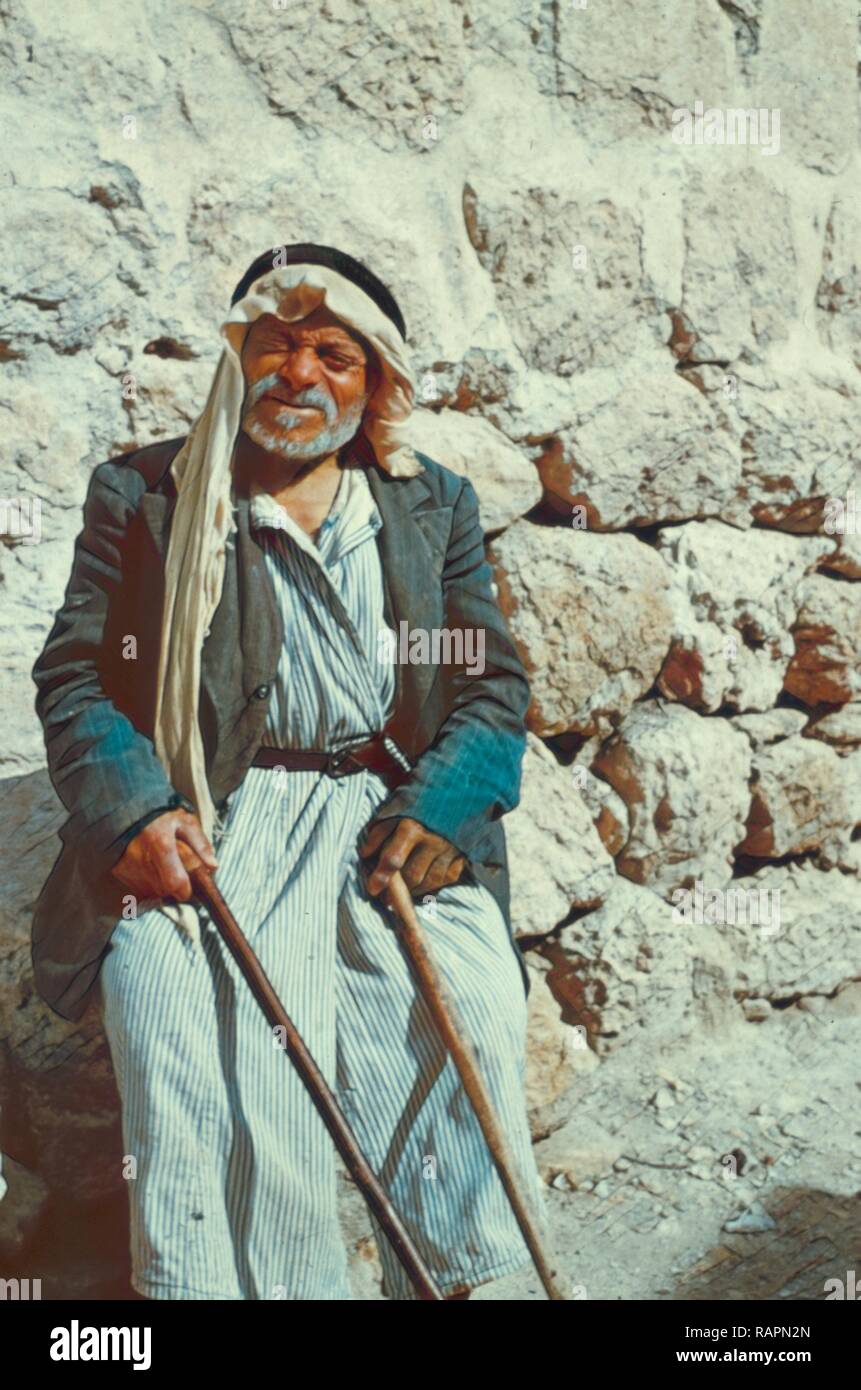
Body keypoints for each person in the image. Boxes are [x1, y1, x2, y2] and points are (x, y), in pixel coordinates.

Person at [31, 242, 546, 1300]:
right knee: (183, 1024)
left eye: (332, 355)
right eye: (275, 344)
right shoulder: (150, 496)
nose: (298, 374)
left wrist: (445, 806)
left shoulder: (426, 505)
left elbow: (491, 686)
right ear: (239, 357)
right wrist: (134, 812)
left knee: (469, 1009)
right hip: (214, 820)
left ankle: (466, 1282)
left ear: (376, 383)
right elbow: (78, 678)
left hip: (384, 820)